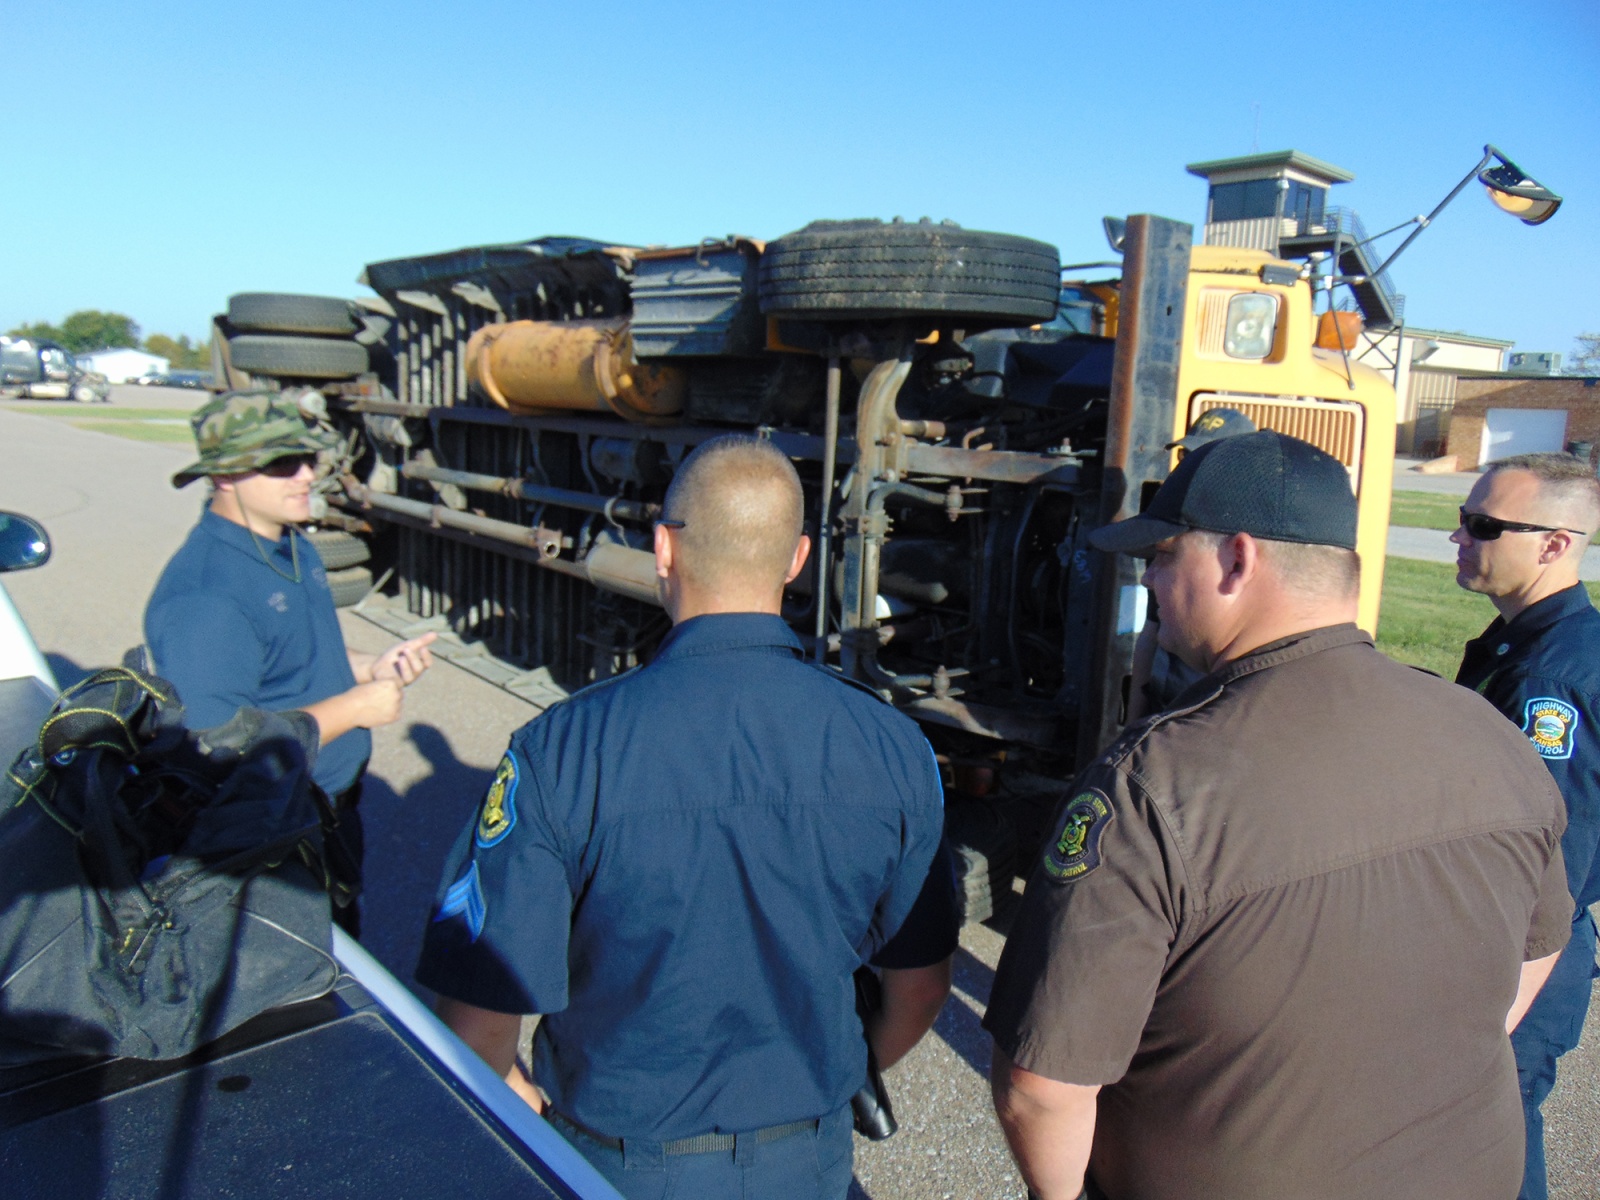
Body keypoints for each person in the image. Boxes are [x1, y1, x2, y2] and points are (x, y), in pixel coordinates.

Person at [983, 430, 1572, 1200]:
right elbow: (1541, 943)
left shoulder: (1154, 785)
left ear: (1237, 559)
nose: (1150, 580)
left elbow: (1042, 1088)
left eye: (1162, 555)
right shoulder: (1489, 731)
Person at [417, 434, 956, 1199]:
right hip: (808, 1161)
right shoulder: (895, 747)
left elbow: (478, 1025)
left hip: (615, 1163)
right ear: (797, 560)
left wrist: (536, 1120)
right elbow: (921, 988)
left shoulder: (561, 750)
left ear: (663, 549)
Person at [145, 390, 436, 936]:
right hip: (272, 830)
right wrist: (353, 710)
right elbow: (214, 745)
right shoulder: (206, 597)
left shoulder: (288, 542)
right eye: (281, 463)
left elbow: (293, 653)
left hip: (325, 810)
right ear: (224, 475)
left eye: (307, 458)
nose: (305, 475)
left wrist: (370, 667)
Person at [1452, 452, 1600, 1200]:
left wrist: (1498, 1008)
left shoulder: (1549, 679)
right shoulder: (1525, 645)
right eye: (1462, 519)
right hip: (1512, 942)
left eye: (1483, 526)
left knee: (1493, 1145)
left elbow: (1549, 865)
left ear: (1555, 544)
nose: (1459, 537)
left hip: (1524, 956)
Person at [1127, 407, 1256, 718]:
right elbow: (1151, 630)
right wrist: (1132, 721)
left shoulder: (1259, 538)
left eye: (1201, 458)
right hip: (1164, 707)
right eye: (1185, 456)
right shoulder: (1172, 527)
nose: (1187, 466)